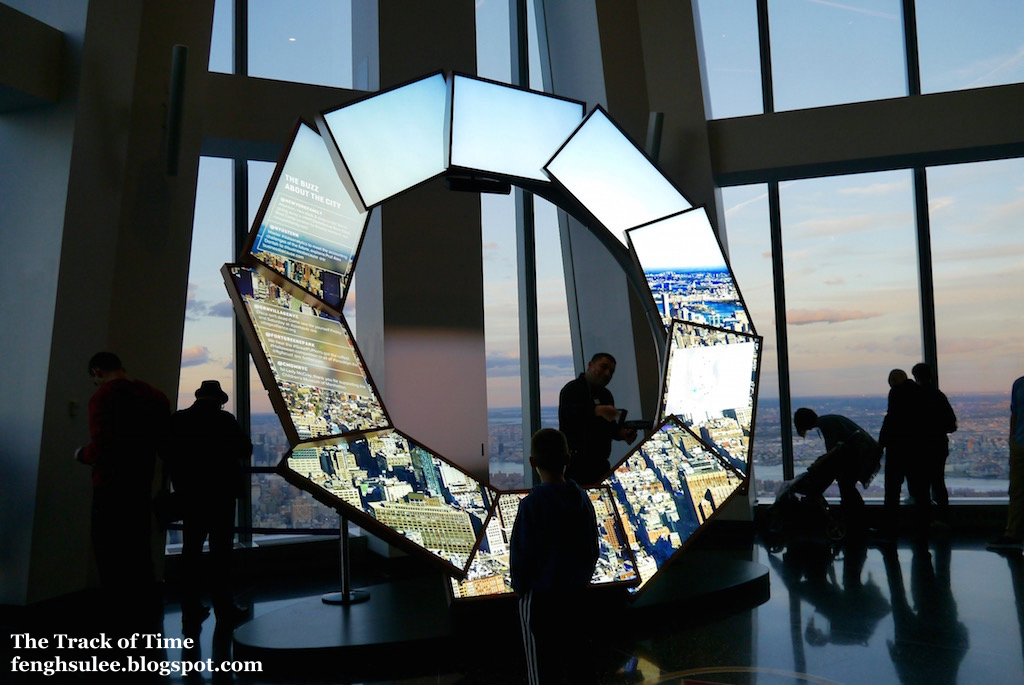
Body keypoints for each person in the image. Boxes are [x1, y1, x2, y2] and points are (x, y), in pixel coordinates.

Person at [75, 351, 170, 624]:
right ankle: (143, 615)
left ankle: (117, 615)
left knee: (109, 551)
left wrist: (81, 454)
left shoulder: (104, 397)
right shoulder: (154, 395)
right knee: (138, 549)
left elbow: (103, 447)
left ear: (96, 371)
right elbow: (165, 442)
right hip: (141, 484)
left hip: (110, 486)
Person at [510, 428, 599, 684]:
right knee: (578, 663)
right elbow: (592, 550)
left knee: (543, 669)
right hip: (576, 597)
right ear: (568, 459)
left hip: (541, 602)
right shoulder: (582, 499)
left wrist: (522, 590)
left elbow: (521, 558)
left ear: (532, 463)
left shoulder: (531, 505)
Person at [167, 380, 252, 635]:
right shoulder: (225, 420)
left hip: (190, 496)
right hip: (221, 497)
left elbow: (166, 451)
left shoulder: (179, 419)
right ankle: (223, 608)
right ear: (219, 400)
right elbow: (245, 450)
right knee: (220, 554)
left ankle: (190, 607)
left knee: (191, 551)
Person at [793, 408, 881, 528]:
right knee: (847, 486)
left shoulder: (826, 425)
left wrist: (819, 463)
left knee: (846, 486)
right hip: (862, 453)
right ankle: (857, 520)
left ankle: (858, 521)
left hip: (861, 454)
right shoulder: (827, 421)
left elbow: (834, 451)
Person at [558, 352, 637, 485]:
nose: (607, 374)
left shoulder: (606, 395)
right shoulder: (571, 390)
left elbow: (609, 429)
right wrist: (596, 411)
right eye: (603, 367)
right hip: (575, 465)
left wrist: (622, 434)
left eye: (611, 371)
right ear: (590, 365)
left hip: (600, 464)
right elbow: (570, 415)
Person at [878, 369, 928, 531]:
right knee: (919, 488)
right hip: (917, 448)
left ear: (894, 380)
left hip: (897, 448)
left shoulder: (896, 393)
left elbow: (891, 419)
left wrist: (881, 443)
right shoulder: (921, 393)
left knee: (892, 490)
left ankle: (889, 525)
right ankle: (923, 524)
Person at [912, 363, 957, 524]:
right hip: (938, 446)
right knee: (938, 482)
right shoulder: (939, 396)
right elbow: (952, 426)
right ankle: (944, 519)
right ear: (931, 375)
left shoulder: (913, 398)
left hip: (918, 448)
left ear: (915, 377)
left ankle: (923, 520)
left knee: (920, 486)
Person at [988, 375, 1024, 550]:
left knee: (1017, 490)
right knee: (1016, 490)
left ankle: (1013, 533)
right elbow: (1014, 414)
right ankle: (1013, 532)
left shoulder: (1019, 384)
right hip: (1020, 443)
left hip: (1019, 442)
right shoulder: (1019, 384)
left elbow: (1014, 415)